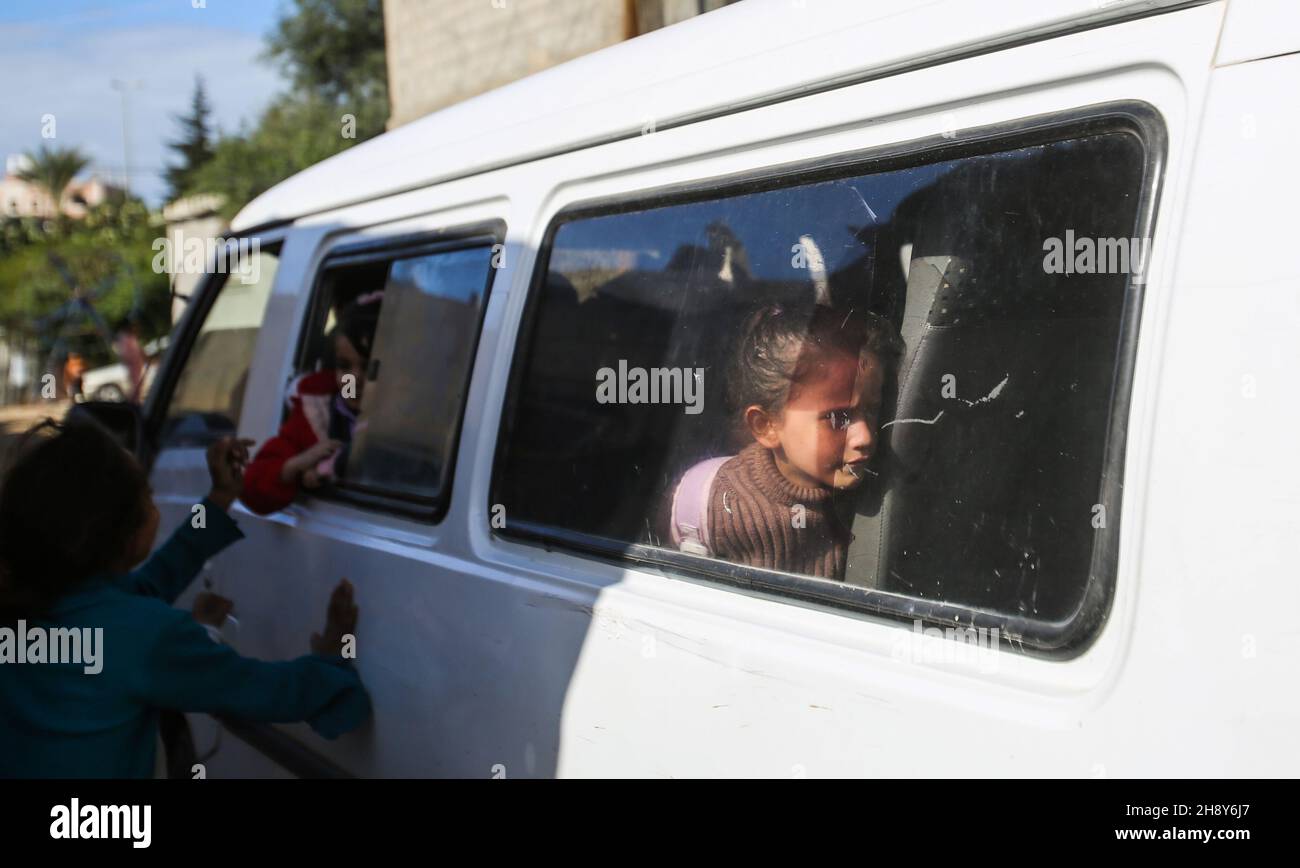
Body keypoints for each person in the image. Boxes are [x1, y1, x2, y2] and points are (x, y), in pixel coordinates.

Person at [0, 420, 370, 779]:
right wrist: (332, 665)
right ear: (120, 534)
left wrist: (220, 499)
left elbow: (146, 588)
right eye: (147, 495)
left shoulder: (26, 612)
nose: (153, 503)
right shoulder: (146, 636)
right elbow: (264, 690)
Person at [670, 302, 902, 579]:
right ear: (767, 425)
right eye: (838, 417)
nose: (865, 437)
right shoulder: (705, 506)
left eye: (873, 409)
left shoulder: (888, 499)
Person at [241, 292, 382, 514]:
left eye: (369, 368)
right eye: (344, 366)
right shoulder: (315, 413)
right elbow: (251, 486)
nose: (354, 379)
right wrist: (296, 465)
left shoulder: (407, 421)